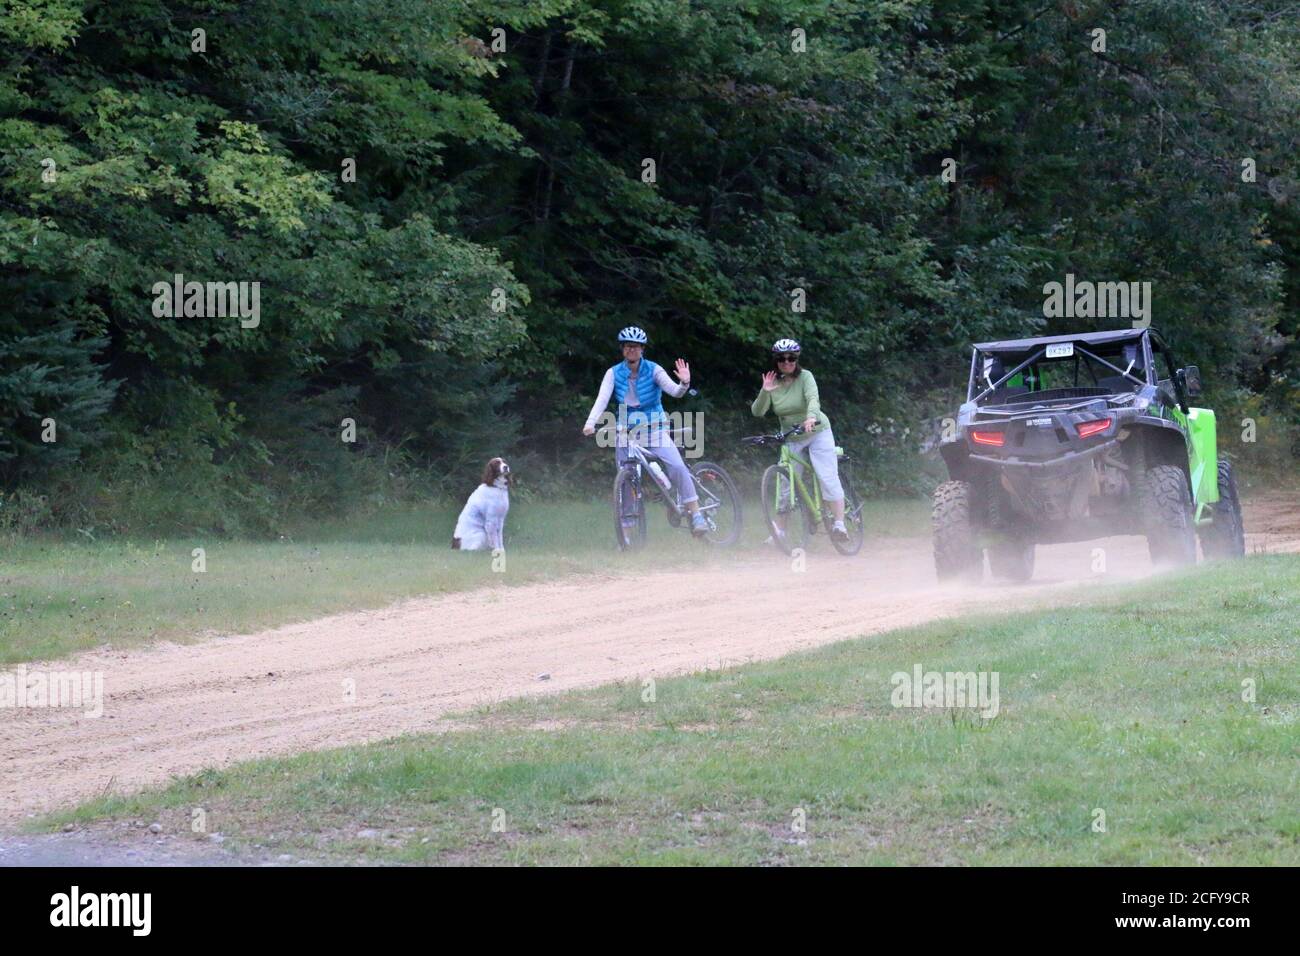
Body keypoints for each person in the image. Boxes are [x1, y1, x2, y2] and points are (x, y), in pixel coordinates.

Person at [583, 326, 708, 536]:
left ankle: (696, 514)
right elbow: (602, 399)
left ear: (642, 349)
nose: (632, 350)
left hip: (655, 429)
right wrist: (591, 422)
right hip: (626, 433)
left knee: (677, 466)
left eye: (636, 347)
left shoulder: (654, 369)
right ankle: (627, 534)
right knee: (626, 480)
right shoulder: (613, 373)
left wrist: (684, 383)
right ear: (622, 349)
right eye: (628, 346)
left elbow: (674, 392)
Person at [751, 337, 848, 540]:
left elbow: (813, 398)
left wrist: (811, 417)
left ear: (796, 359)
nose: (787, 362)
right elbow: (758, 412)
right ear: (776, 360)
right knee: (785, 482)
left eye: (791, 358)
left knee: (826, 476)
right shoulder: (773, 382)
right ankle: (780, 531)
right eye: (781, 358)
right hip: (793, 436)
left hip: (817, 431)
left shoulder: (806, 377)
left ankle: (839, 524)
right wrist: (764, 391)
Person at [451, 457, 511, 551]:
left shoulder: (501, 491)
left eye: (504, 462)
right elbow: (490, 524)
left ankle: (499, 547)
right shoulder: (486, 492)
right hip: (469, 537)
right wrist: (497, 548)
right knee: (488, 530)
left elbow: (499, 522)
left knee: (498, 523)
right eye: (498, 464)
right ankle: (496, 548)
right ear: (492, 471)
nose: (504, 465)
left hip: (478, 532)